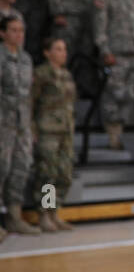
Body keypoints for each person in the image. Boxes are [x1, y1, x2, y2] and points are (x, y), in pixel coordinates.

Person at [92, 0, 134, 148]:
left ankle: (121, 132)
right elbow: (99, 27)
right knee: (111, 95)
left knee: (128, 95)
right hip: (115, 53)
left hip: (132, 53)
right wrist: (104, 50)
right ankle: (111, 135)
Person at [30, 37, 77, 231]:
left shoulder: (66, 75)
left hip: (65, 130)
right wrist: (32, 129)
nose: (63, 53)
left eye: (64, 49)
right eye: (58, 49)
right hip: (48, 130)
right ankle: (44, 214)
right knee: (47, 174)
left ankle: (55, 211)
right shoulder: (40, 74)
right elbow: (31, 102)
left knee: (64, 174)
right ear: (47, 52)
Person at [0, 15, 38, 238]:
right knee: (1, 168)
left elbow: (29, 96)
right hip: (3, 123)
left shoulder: (26, 59)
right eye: (13, 30)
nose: (19, 35)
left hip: (22, 124)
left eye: (21, 31)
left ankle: (14, 217)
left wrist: (30, 126)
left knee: (20, 169)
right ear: (3, 33)